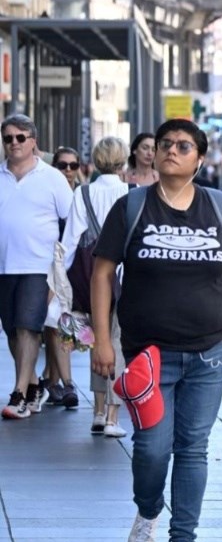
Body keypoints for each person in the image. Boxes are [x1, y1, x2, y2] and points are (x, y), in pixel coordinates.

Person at [89, 119, 222, 542]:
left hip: (211, 351)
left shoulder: (219, 207)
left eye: (184, 146)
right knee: (150, 447)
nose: (171, 150)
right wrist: (102, 340)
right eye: (165, 144)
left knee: (192, 448)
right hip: (149, 354)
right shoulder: (132, 208)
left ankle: (182, 541)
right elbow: (103, 272)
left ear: (200, 160)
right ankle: (147, 513)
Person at [0, 114, 73, 420]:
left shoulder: (52, 177)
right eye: (8, 138)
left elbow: (71, 222)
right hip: (5, 267)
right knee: (12, 332)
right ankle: (32, 386)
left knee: (29, 327)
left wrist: (61, 271)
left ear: (33, 142)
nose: (13, 143)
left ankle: (17, 394)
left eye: (20, 137)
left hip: (38, 266)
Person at [61, 137, 130, 436]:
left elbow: (70, 241)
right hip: (126, 276)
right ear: (123, 161)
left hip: (92, 277)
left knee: (96, 343)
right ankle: (114, 415)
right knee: (118, 343)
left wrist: (62, 284)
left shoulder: (83, 193)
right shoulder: (133, 193)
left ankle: (99, 411)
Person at [40, 147, 85, 409]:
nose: (68, 170)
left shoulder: (80, 195)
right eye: (62, 165)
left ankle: (58, 381)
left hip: (71, 270)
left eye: (73, 165)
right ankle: (54, 379)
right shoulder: (50, 192)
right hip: (47, 265)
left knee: (57, 324)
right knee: (52, 325)